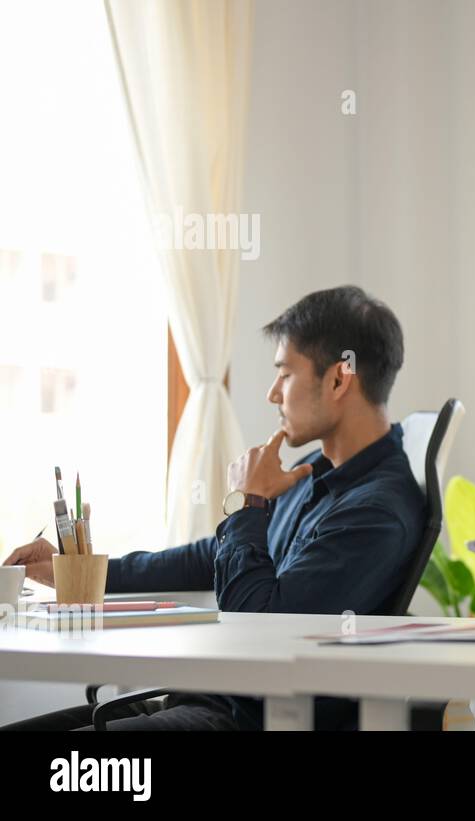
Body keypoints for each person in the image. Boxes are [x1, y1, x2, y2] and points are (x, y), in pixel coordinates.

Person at [2, 285, 424, 730]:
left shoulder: (377, 513)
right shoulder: (317, 472)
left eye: (284, 373)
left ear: (339, 379)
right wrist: (78, 568)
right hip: (197, 699)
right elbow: (210, 558)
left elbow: (256, 629)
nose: (272, 393)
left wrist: (249, 504)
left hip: (238, 720)